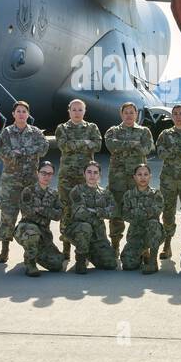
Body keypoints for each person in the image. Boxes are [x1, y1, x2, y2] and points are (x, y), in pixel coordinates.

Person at [0, 100, 49, 264]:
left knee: (31, 216)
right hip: (10, 182)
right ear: (13, 114)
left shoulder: (36, 132)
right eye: (18, 111)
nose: (21, 114)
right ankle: (5, 248)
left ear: (28, 114)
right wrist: (29, 152)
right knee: (8, 216)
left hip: (30, 182)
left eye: (24, 111)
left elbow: (44, 148)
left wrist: (20, 151)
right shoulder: (6, 133)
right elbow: (3, 153)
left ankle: (30, 250)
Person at [103, 101, 154, 260]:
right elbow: (111, 146)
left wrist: (123, 145)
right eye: (126, 112)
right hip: (117, 181)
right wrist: (134, 144)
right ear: (121, 114)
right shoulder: (113, 131)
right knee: (116, 215)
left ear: (136, 114)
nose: (129, 115)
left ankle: (141, 246)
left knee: (139, 212)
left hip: (138, 182)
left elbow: (147, 148)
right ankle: (115, 246)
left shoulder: (144, 131)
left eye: (132, 112)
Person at [54, 99, 102, 259]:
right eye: (74, 109)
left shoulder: (92, 127)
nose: (77, 112)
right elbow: (63, 145)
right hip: (67, 177)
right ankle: (66, 247)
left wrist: (75, 143)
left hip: (86, 178)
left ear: (84, 111)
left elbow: (97, 145)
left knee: (87, 210)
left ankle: (85, 247)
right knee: (66, 210)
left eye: (80, 110)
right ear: (69, 111)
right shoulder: (62, 128)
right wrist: (85, 143)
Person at [154, 103, 181, 261]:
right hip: (168, 179)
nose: (178, 116)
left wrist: (172, 151)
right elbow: (160, 152)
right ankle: (167, 244)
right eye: (175, 113)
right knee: (167, 212)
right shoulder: (165, 134)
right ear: (171, 116)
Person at [15, 161, 66, 276]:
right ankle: (30, 263)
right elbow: (29, 213)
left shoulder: (54, 194)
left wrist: (40, 209)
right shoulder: (28, 191)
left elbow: (59, 215)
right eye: (43, 173)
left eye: (50, 174)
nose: (46, 176)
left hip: (44, 233)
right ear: (37, 173)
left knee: (57, 264)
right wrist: (48, 211)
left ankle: (36, 252)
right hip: (26, 229)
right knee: (32, 232)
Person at [66, 162, 117, 273]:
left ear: (99, 175)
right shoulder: (77, 190)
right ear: (84, 174)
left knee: (111, 263)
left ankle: (89, 252)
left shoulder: (105, 193)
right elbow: (79, 212)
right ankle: (80, 259)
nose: (92, 175)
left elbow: (113, 211)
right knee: (85, 227)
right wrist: (102, 213)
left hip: (98, 236)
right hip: (78, 231)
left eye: (95, 172)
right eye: (89, 172)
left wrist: (94, 211)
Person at [120, 163, 164, 274]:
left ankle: (152, 262)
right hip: (136, 234)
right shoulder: (128, 195)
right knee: (128, 264)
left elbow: (156, 211)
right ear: (134, 177)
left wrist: (135, 213)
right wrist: (145, 212)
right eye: (139, 174)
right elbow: (125, 214)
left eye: (146, 174)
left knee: (153, 223)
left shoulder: (156, 194)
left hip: (152, 234)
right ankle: (143, 253)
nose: (143, 177)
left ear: (150, 176)